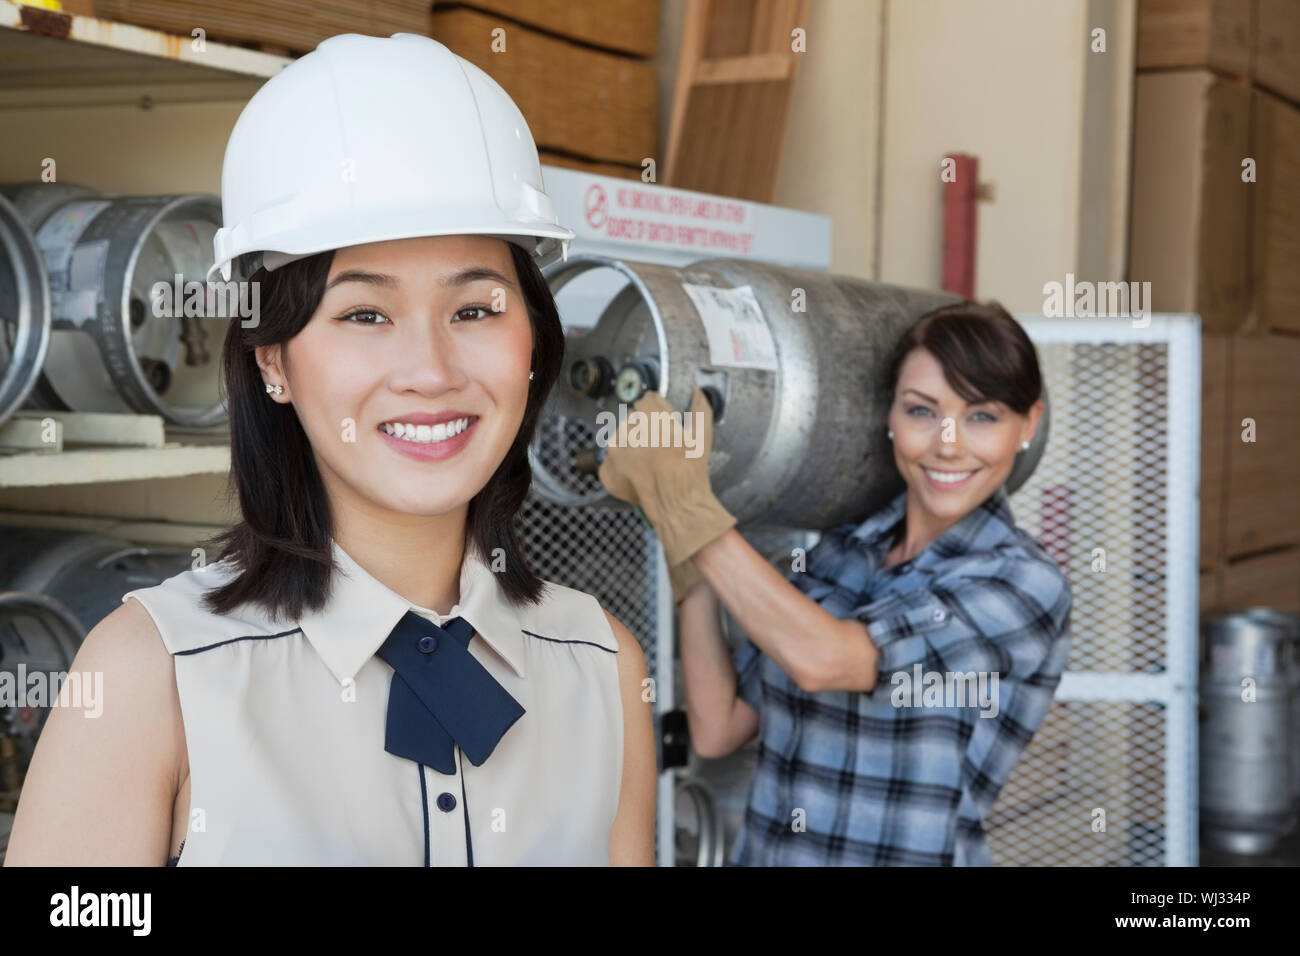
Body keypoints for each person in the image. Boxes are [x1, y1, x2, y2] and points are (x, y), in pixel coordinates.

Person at [5, 33, 655, 867]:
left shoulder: (601, 665)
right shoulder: (152, 675)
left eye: (475, 309)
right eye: (363, 315)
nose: (431, 372)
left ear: (534, 341)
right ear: (272, 360)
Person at [598, 299, 1071, 865]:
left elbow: (827, 660)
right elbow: (718, 726)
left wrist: (689, 508)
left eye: (982, 416)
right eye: (922, 411)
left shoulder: (1023, 584)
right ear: (890, 417)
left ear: (1029, 424)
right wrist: (689, 563)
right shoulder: (841, 551)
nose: (948, 443)